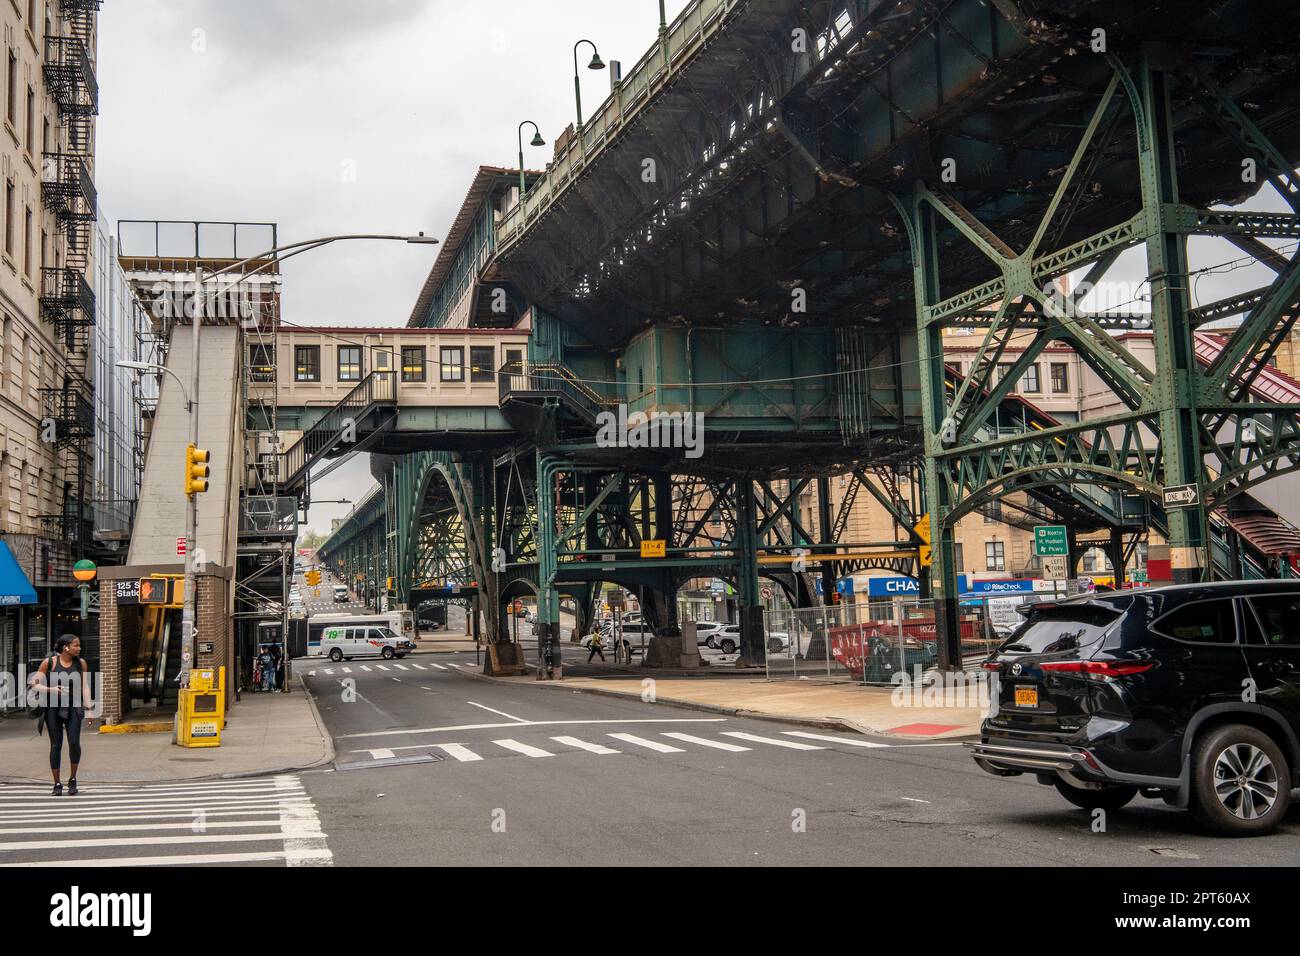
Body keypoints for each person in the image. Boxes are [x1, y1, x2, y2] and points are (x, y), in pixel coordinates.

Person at [32, 635, 93, 796]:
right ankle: (57, 783)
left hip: (73, 706)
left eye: (79, 645)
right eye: (76, 645)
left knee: (74, 743)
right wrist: (51, 690)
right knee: (55, 745)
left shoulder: (81, 663)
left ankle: (73, 779)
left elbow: (84, 686)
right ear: (66, 647)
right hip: (53, 708)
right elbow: (34, 684)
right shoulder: (50, 663)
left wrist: (89, 707)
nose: (79, 648)